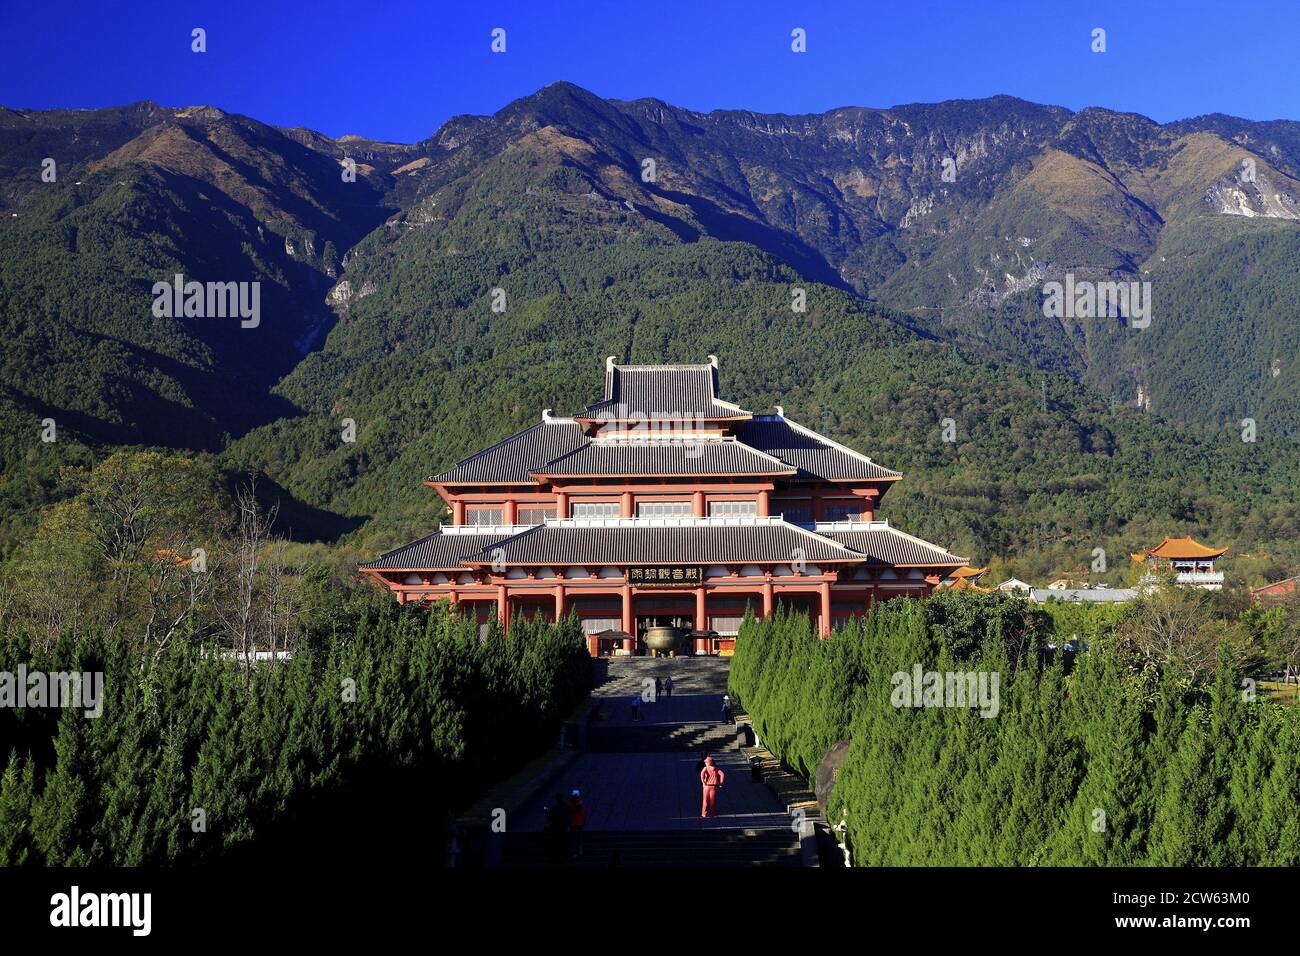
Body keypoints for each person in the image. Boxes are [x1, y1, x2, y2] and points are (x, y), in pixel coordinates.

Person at [544, 792, 568, 858]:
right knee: (563, 840)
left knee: (558, 840)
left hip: (557, 826)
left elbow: (550, 816)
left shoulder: (554, 807)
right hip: (564, 825)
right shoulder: (565, 805)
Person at [567, 788, 587, 859]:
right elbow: (584, 814)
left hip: (574, 824)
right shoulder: (581, 804)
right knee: (578, 839)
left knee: (575, 839)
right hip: (579, 823)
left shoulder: (571, 805)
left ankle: (576, 852)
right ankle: (579, 852)